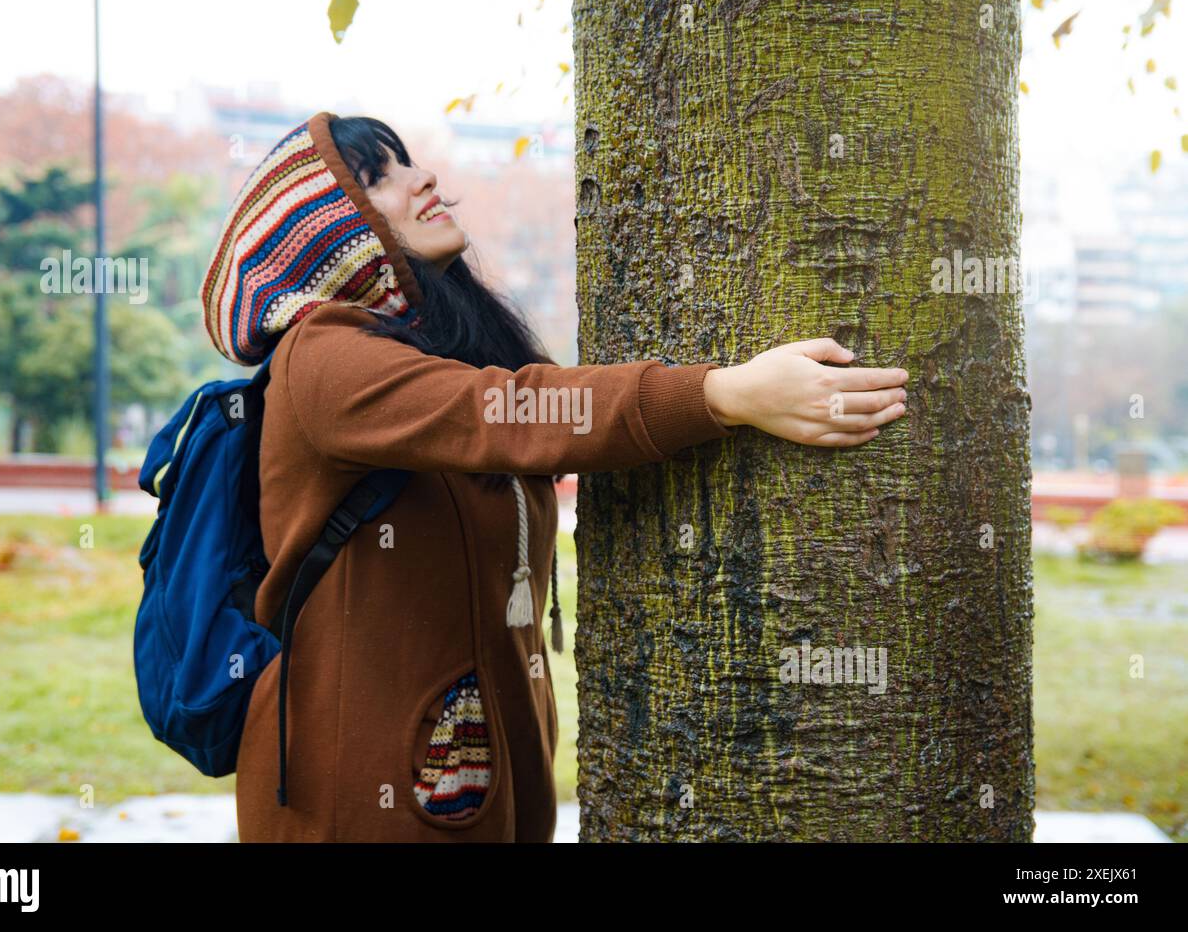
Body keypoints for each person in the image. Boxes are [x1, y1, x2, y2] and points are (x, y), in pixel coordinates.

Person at [201, 110, 908, 842]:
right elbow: (510, 412)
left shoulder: (432, 352)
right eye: (380, 178)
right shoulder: (321, 356)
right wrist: (725, 395)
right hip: (355, 793)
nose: (425, 179)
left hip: (472, 781)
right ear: (327, 231)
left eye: (408, 162)